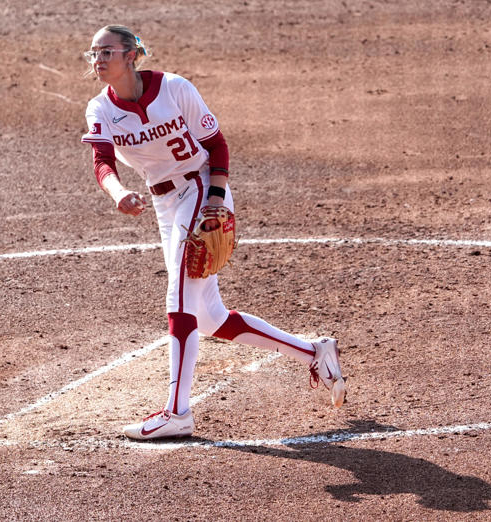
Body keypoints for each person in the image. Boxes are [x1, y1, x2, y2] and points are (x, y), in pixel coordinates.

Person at [80, 25, 346, 440]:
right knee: (209, 317)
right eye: (92, 54)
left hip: (201, 189)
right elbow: (102, 162)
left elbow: (216, 145)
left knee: (179, 297)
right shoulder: (99, 108)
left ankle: (177, 412)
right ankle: (314, 351)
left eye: (106, 52)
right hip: (164, 205)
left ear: (131, 55)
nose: (97, 60)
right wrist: (118, 193)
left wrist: (216, 199)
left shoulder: (174, 88)